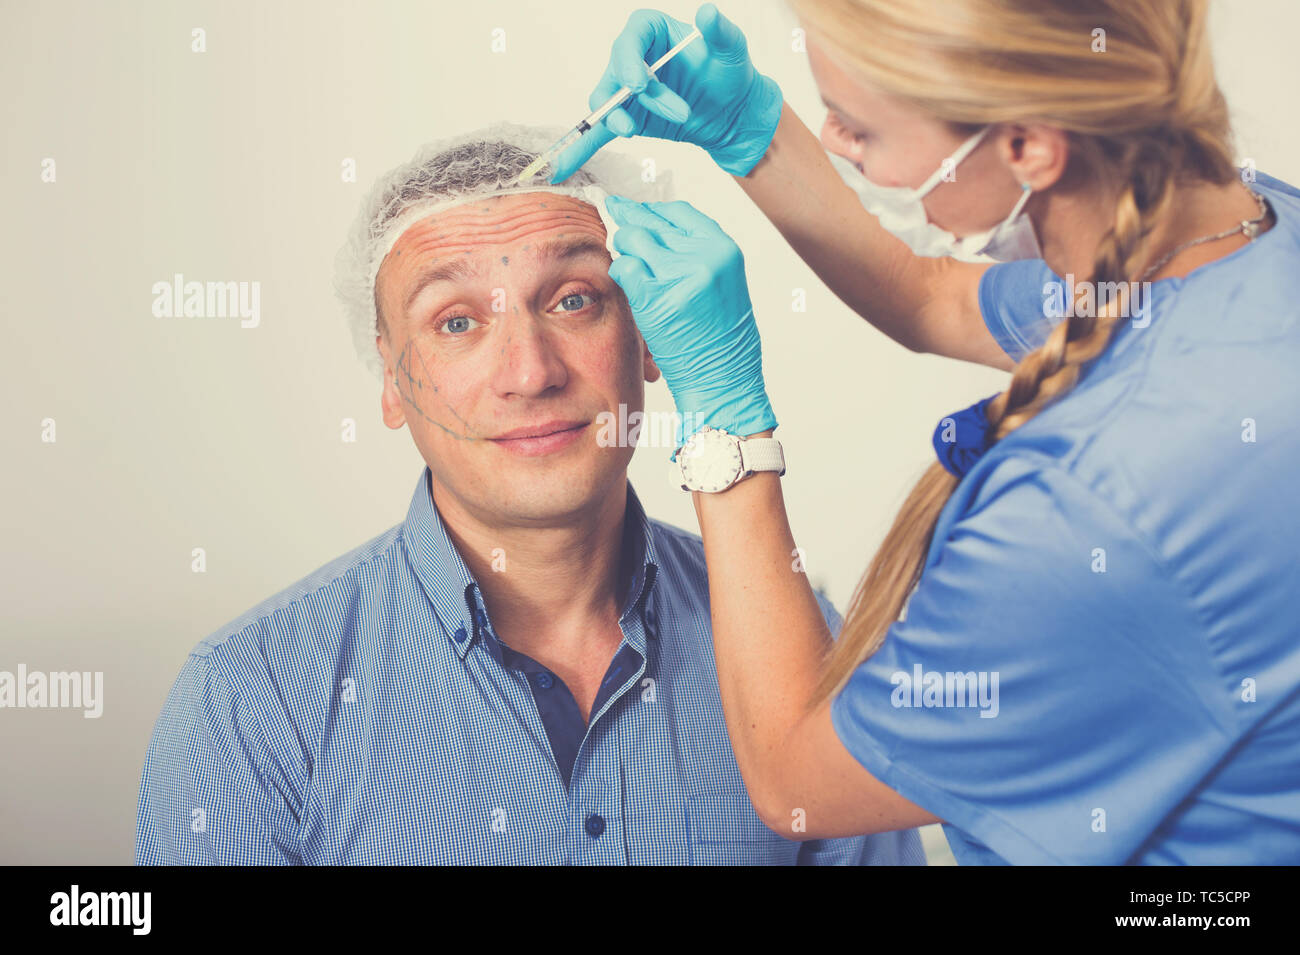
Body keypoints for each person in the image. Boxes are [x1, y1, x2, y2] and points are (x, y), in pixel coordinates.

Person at [552, 1, 1300, 863]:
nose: (832, 139)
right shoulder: (1237, 232)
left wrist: (724, 418)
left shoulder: (1091, 514)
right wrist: (750, 129)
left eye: (860, 127)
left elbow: (796, 783)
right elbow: (928, 294)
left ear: (1028, 147)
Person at [134, 124, 924, 866]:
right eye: (456, 322)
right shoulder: (248, 699)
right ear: (389, 380)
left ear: (649, 334)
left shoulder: (798, 643)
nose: (530, 371)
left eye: (572, 299)